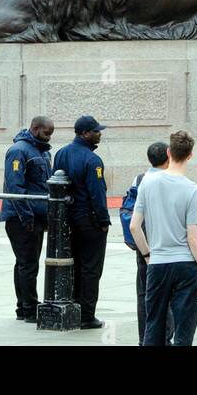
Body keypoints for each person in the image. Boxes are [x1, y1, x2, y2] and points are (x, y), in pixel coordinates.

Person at [130, 130, 197, 347]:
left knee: (154, 326)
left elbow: (134, 227)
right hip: (186, 266)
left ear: (169, 152)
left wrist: (149, 256)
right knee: (184, 330)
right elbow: (193, 238)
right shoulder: (193, 190)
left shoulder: (147, 183)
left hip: (158, 264)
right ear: (190, 155)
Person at [52, 115, 110, 329]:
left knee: (73, 265)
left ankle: (74, 306)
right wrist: (103, 221)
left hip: (69, 219)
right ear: (85, 133)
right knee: (91, 268)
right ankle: (86, 315)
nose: (99, 134)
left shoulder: (61, 154)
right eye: (96, 131)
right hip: (89, 221)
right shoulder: (92, 160)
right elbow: (97, 194)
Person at [1, 116, 53, 322]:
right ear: (35, 128)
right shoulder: (19, 151)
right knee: (27, 264)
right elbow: (16, 188)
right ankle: (29, 308)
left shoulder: (42, 151)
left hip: (36, 216)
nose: (49, 137)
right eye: (46, 133)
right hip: (21, 217)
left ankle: (24, 306)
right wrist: (27, 217)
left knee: (25, 263)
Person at [131, 140, 169, 344]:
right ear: (169, 156)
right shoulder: (172, 180)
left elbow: (133, 223)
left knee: (144, 293)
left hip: (143, 243)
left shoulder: (138, 179)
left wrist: (144, 253)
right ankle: (164, 337)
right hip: (164, 245)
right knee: (167, 294)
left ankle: (144, 337)